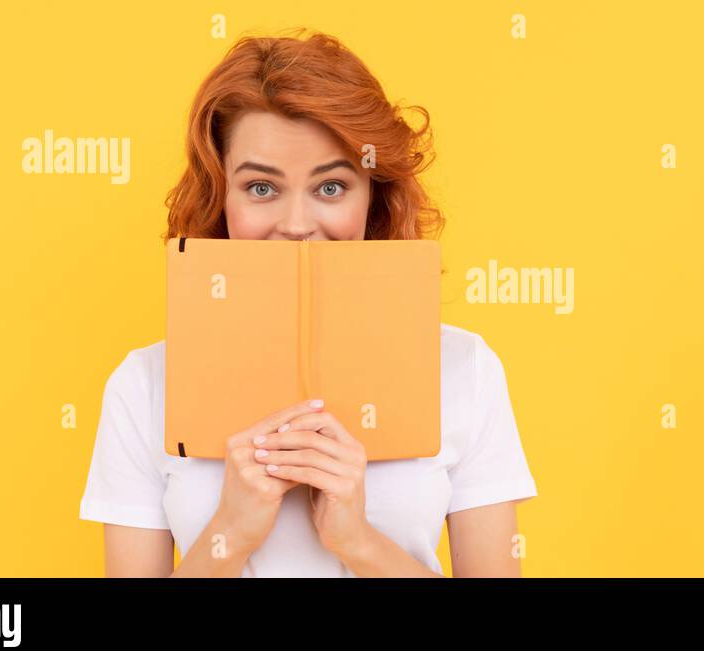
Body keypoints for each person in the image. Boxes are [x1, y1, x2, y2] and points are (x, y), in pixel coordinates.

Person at [78, 29, 537, 577]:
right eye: (262, 188)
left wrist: (358, 541)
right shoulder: (145, 384)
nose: (297, 227)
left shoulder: (465, 370)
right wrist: (232, 531)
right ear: (220, 199)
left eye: (331, 187)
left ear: (374, 198)